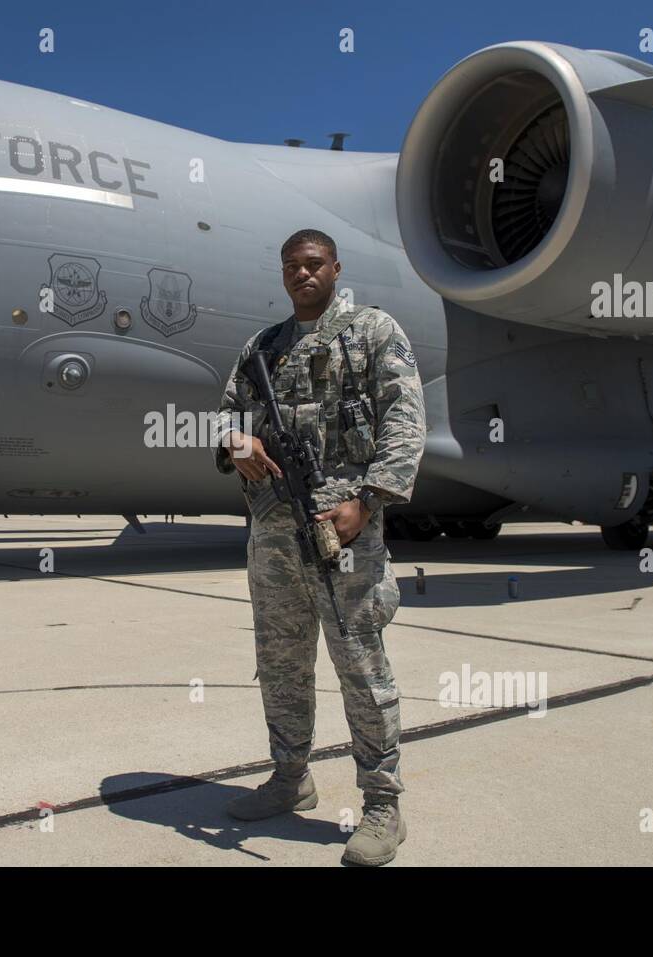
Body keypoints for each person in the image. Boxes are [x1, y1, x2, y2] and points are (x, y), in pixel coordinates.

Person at [212, 228, 426, 866]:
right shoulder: (264, 347)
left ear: (335, 268)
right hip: (274, 533)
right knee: (280, 662)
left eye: (313, 265)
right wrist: (236, 442)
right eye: (291, 267)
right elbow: (226, 412)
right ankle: (289, 778)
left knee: (360, 665)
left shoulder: (372, 332)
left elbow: (405, 421)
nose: (302, 275)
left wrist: (369, 501)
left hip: (344, 529)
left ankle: (383, 804)